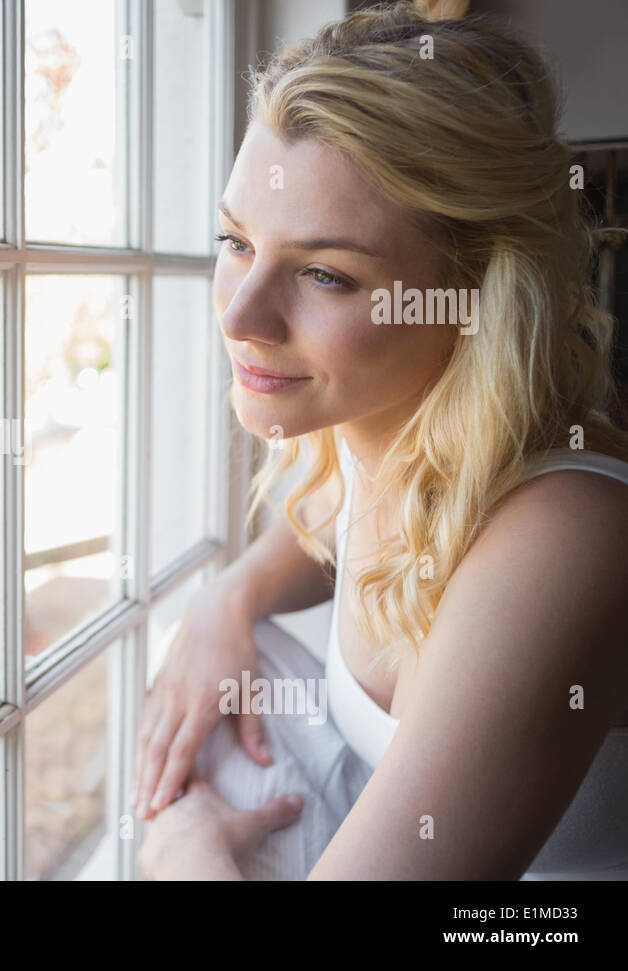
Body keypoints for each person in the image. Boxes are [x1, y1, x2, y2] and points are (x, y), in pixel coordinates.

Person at [133, 0, 628, 880]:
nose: (241, 317)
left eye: (325, 273)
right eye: (234, 241)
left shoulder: (570, 533)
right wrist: (227, 601)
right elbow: (324, 529)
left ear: (478, 295)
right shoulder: (371, 438)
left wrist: (182, 855)